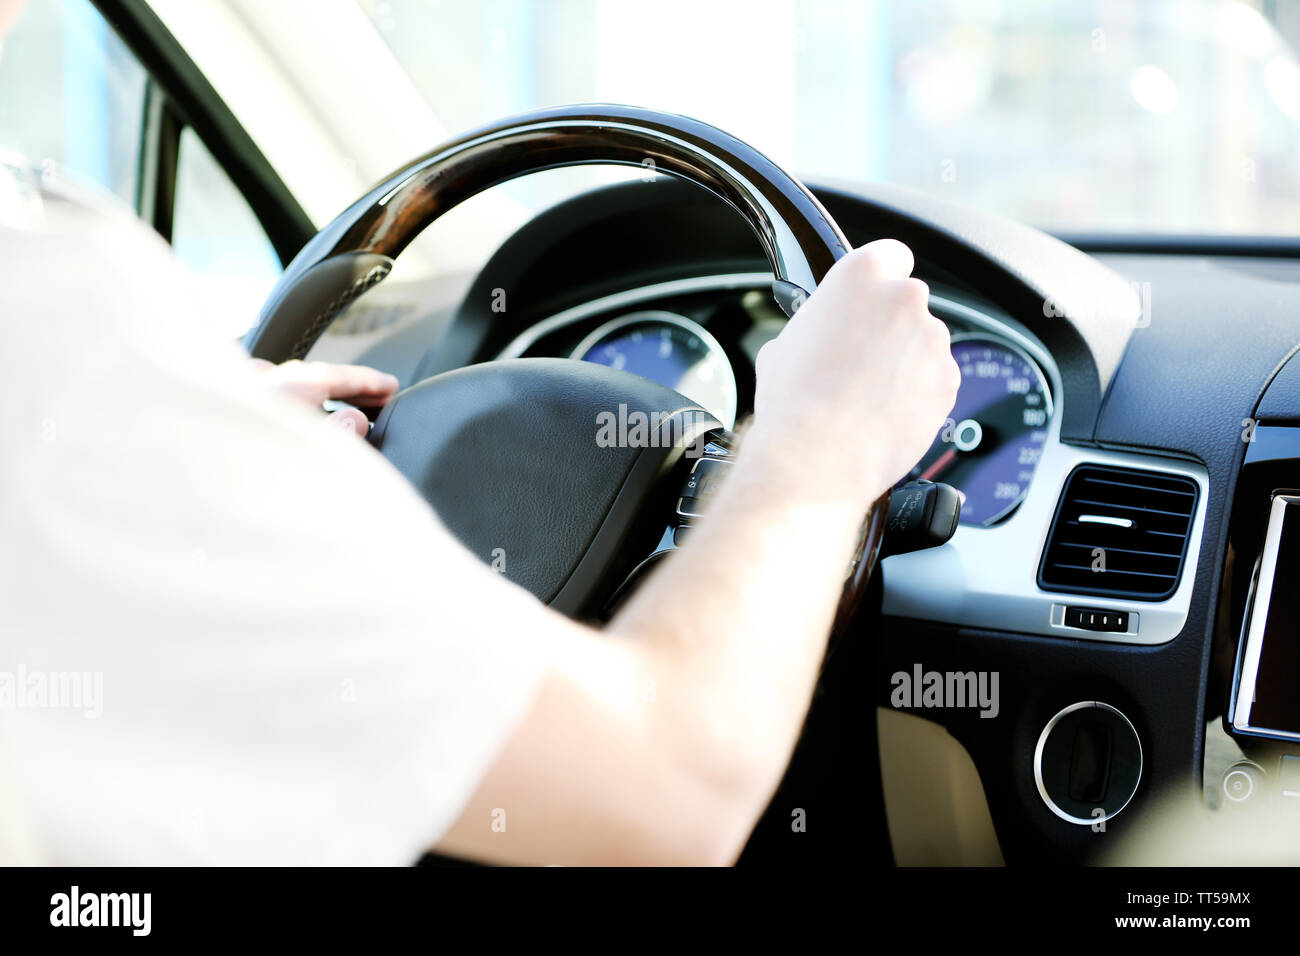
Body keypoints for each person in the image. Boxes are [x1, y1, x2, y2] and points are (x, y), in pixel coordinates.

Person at [0, 2, 959, 866]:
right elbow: (668, 795)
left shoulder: (66, 365)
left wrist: (200, 451)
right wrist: (819, 450)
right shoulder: (51, 305)